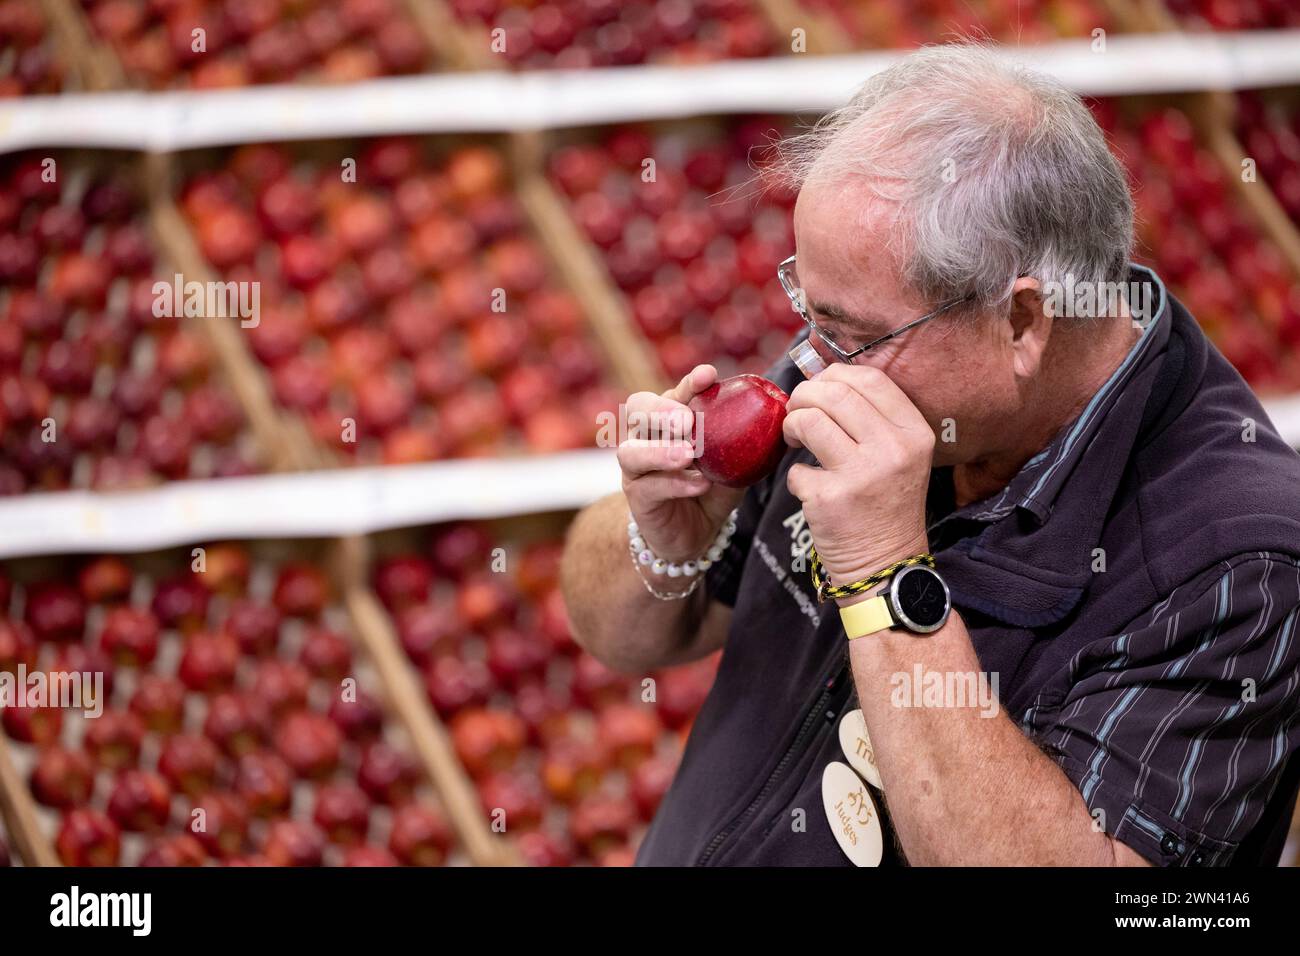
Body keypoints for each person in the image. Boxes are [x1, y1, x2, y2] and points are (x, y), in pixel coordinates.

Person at [560, 43, 1300, 866]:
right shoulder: (860, 354)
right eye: (810, 309)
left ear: (1021, 321)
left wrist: (883, 576)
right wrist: (664, 541)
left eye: (856, 334)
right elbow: (623, 637)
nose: (812, 360)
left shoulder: (1241, 561)